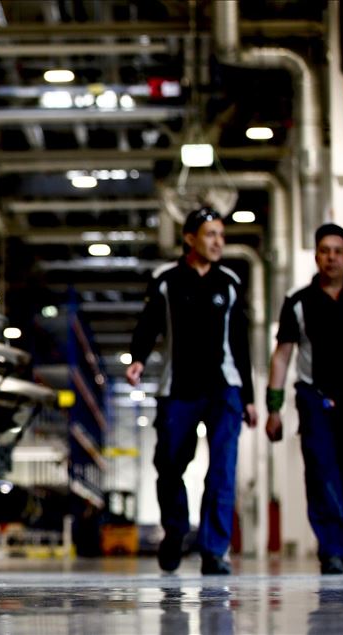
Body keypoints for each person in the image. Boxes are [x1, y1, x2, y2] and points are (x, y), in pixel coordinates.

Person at [127, 206, 257, 575]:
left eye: (221, 234)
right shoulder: (166, 280)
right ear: (190, 238)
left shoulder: (229, 282)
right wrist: (137, 358)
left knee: (222, 470)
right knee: (168, 465)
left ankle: (214, 551)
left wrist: (247, 397)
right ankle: (175, 530)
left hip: (223, 388)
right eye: (210, 234)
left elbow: (241, 343)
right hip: (178, 387)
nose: (218, 241)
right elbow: (149, 323)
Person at [264, 223, 343, 574]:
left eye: (338, 251)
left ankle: (337, 534)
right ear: (316, 256)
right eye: (324, 250)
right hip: (315, 397)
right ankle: (333, 550)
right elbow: (282, 355)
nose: (331, 257)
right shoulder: (299, 303)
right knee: (321, 471)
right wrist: (274, 408)